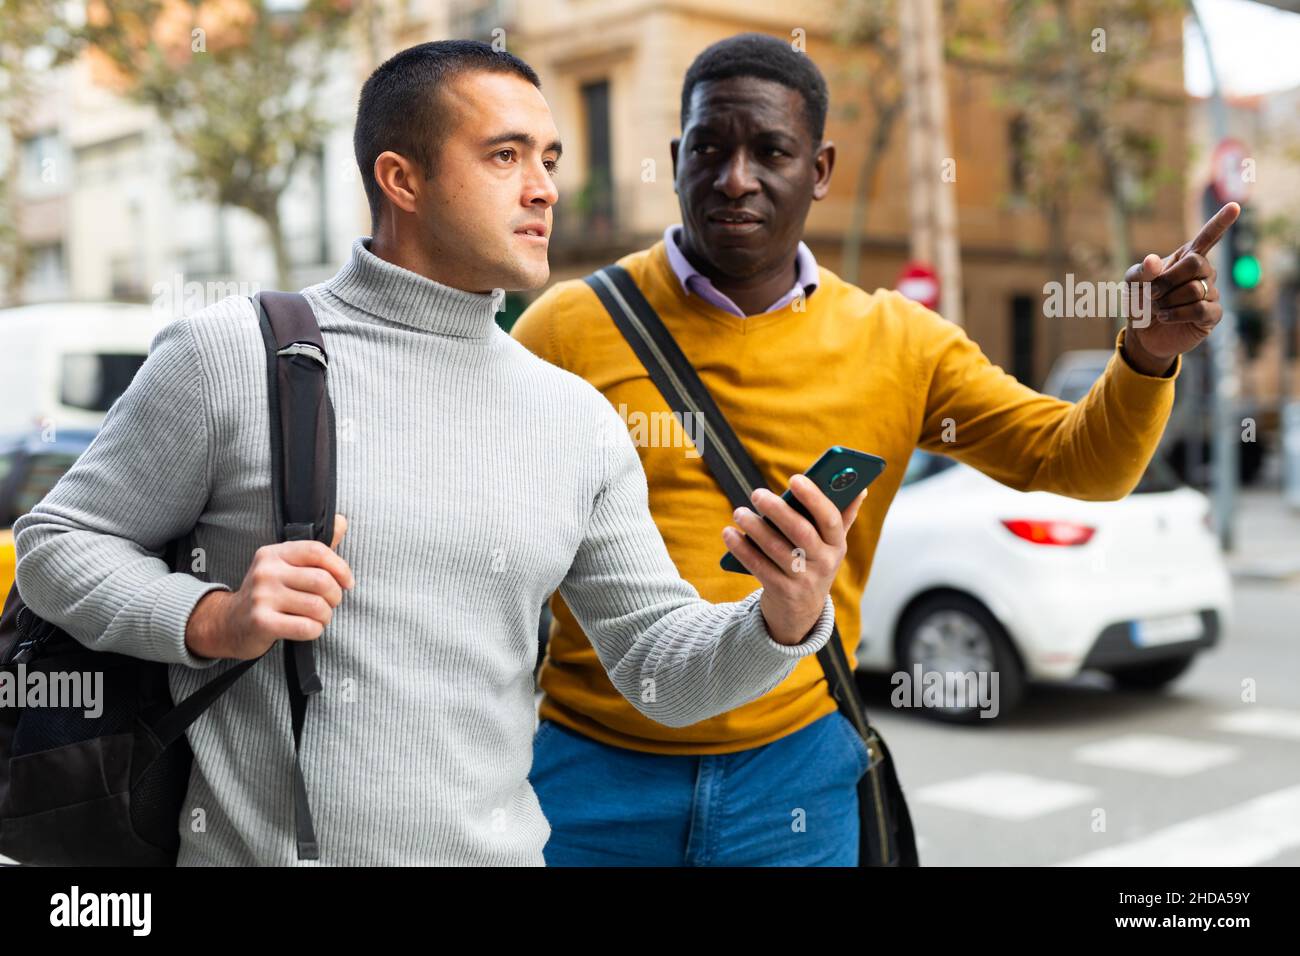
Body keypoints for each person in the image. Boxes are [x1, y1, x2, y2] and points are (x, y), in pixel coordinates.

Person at [12, 40, 866, 866]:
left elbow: (657, 670)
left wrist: (782, 617)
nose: (544, 190)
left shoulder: (574, 417)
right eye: (505, 156)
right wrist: (211, 619)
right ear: (402, 179)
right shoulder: (230, 355)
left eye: (551, 159)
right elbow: (60, 546)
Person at [511, 32, 1239, 866]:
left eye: (770, 151)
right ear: (677, 159)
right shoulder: (565, 329)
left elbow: (1080, 463)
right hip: (592, 776)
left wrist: (1146, 356)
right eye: (709, 148)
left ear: (819, 171)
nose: (735, 177)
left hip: (793, 775)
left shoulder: (901, 343)